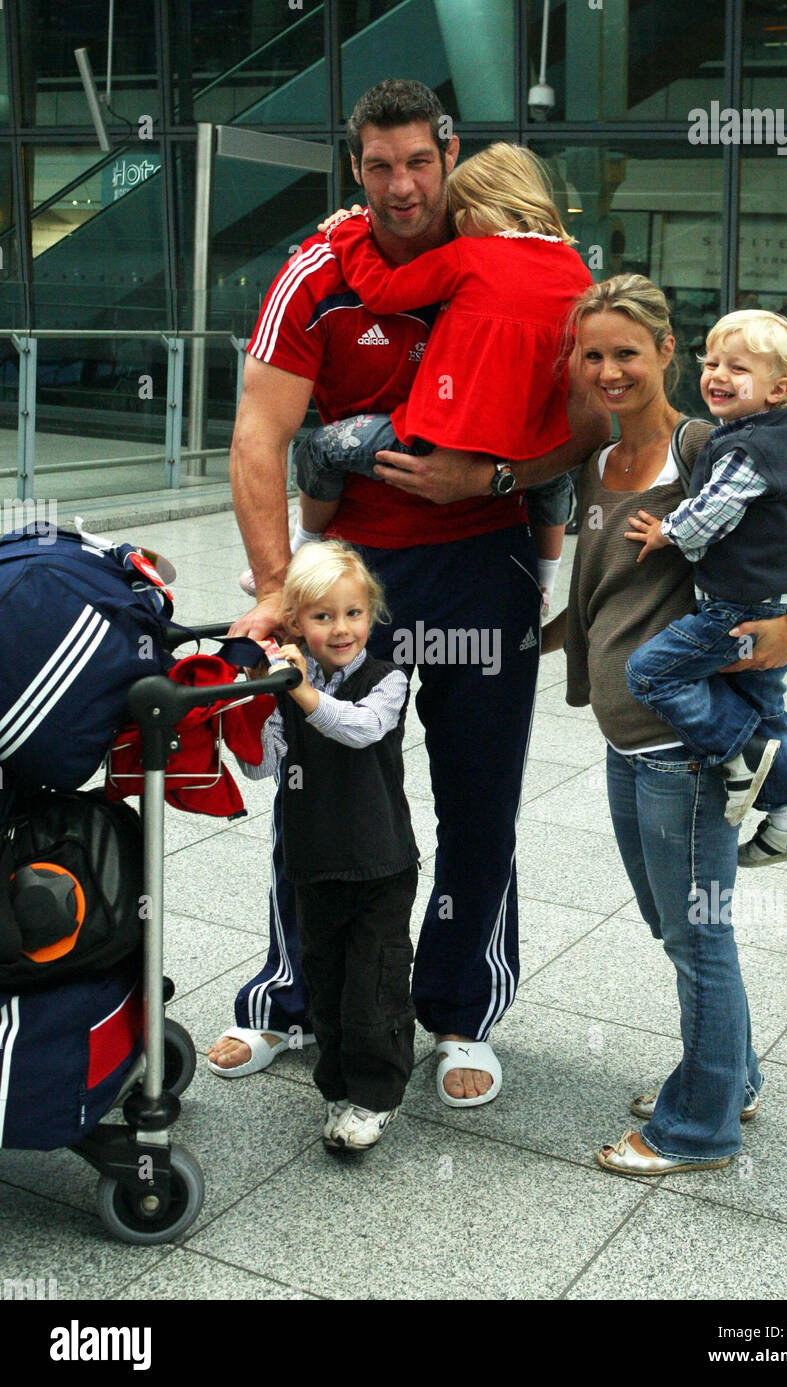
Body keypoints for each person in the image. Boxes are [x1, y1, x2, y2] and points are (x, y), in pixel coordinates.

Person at [211, 79, 608, 1105]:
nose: (399, 186)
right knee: (322, 793)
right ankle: (292, 995)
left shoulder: (527, 265)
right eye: (378, 167)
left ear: (449, 152)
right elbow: (258, 435)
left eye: (417, 164)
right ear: (355, 168)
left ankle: (459, 1010)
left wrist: (497, 478)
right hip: (353, 581)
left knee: (479, 794)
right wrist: (271, 586)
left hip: (484, 562)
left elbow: (594, 420)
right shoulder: (315, 274)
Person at [542, 274, 787, 1176]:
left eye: (626, 351)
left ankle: (697, 1127)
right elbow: (601, 588)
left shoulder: (702, 443)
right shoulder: (592, 464)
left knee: (697, 933)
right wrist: (540, 638)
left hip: (683, 742)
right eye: (591, 354)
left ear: (665, 352)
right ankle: (727, 1073)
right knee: (675, 925)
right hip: (626, 734)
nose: (608, 370)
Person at [292, 143, 592, 613]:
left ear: (476, 210)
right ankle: (545, 582)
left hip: (436, 443)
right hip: (526, 442)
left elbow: (382, 291)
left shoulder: (469, 253)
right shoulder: (577, 271)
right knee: (552, 481)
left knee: (320, 448)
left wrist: (350, 231)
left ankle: (303, 551)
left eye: (456, 213)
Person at [232, 541, 418, 1151]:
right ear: (294, 624)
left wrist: (300, 691)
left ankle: (375, 1097)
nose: (342, 629)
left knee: (375, 983)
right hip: (314, 864)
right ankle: (338, 1085)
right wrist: (256, 696)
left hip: (381, 863)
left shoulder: (388, 679)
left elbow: (361, 729)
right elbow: (262, 769)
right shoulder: (288, 686)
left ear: (372, 613)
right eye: (322, 617)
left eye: (354, 613)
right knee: (328, 982)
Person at [623, 309, 787, 863]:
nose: (717, 374)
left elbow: (713, 512)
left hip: (736, 609)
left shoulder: (747, 449)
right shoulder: (766, 435)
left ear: (778, 390)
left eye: (738, 368)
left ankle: (736, 758)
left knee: (648, 672)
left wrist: (667, 530)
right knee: (768, 709)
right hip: (769, 599)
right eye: (711, 362)